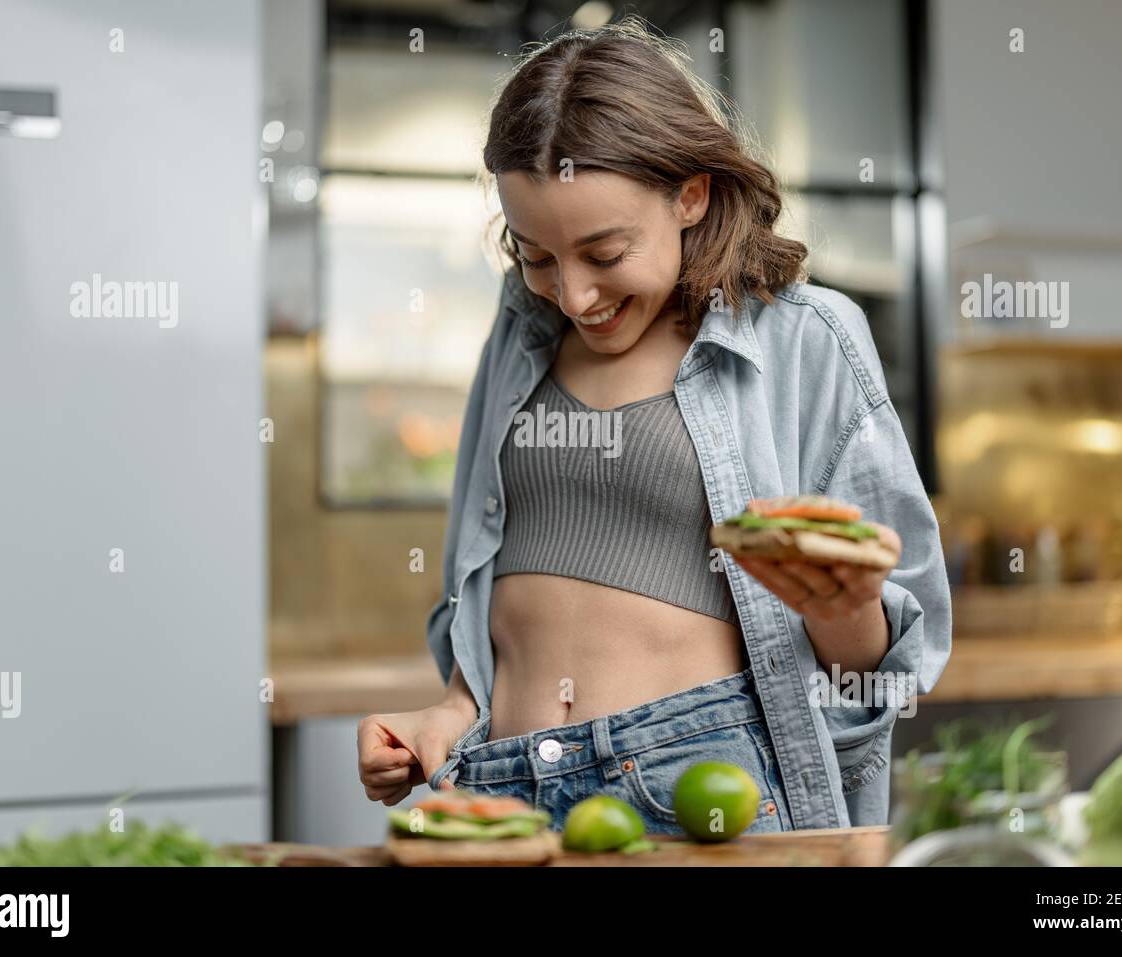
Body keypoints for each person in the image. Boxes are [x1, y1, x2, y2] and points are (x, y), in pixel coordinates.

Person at [357, 16, 951, 833]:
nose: (572, 295)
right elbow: (492, 595)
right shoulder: (521, 334)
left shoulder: (805, 339)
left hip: (695, 784)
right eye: (536, 255)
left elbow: (882, 676)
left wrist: (843, 605)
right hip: (502, 788)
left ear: (691, 194)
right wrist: (451, 716)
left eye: (604, 253)